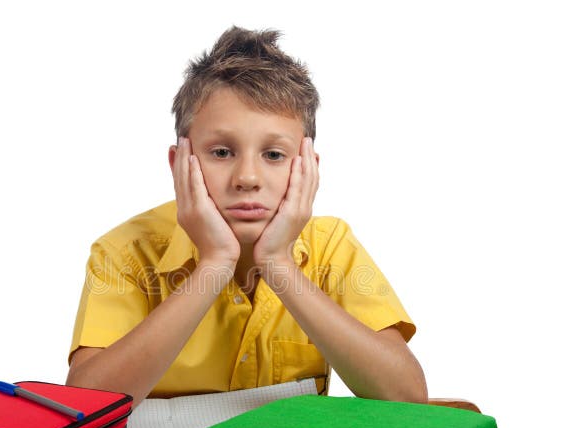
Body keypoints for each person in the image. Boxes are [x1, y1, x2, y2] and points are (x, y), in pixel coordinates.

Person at [66, 26, 427, 406]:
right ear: (179, 165)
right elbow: (83, 404)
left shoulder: (332, 247)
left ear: (307, 168)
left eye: (273, 155)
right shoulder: (124, 252)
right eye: (222, 152)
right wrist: (214, 263)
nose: (247, 179)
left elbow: (407, 396)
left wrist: (278, 263)